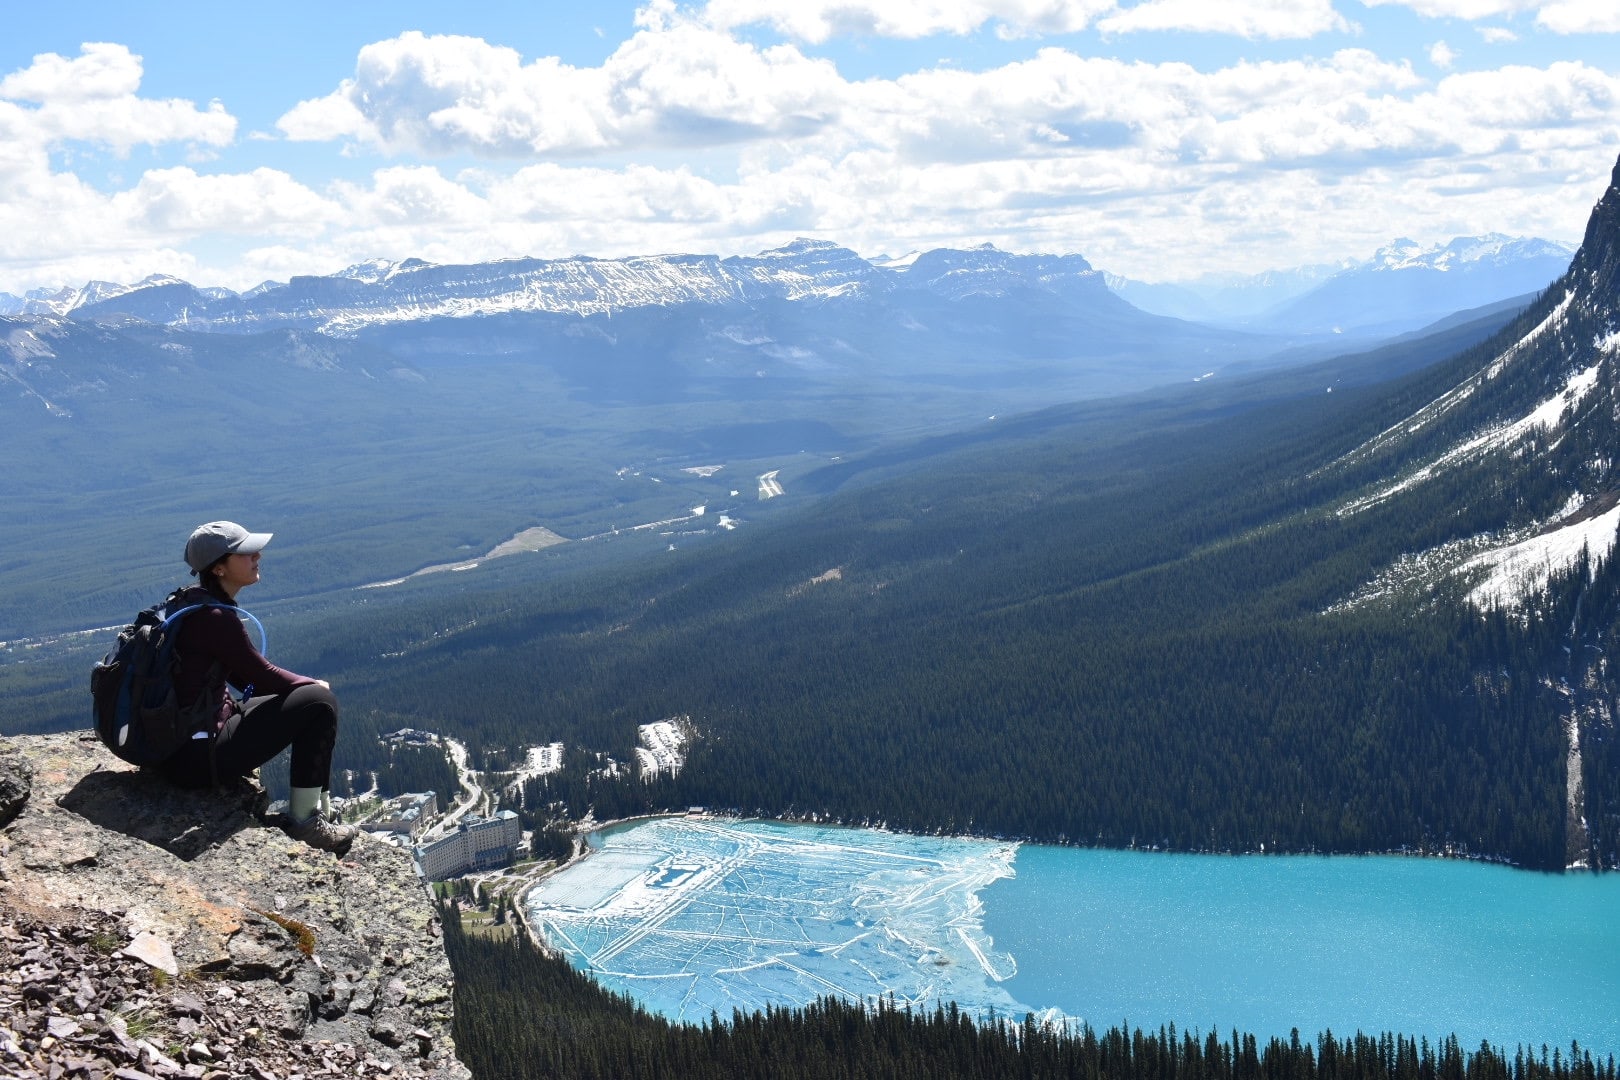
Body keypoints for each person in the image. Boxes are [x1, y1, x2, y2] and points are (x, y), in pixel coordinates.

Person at [157, 520, 357, 854]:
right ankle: (307, 823)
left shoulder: (190, 603)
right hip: (197, 758)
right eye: (246, 553)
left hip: (178, 750)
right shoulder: (215, 618)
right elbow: (260, 676)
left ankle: (320, 812)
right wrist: (313, 685)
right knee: (320, 703)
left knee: (311, 701)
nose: (257, 556)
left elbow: (242, 676)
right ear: (219, 568)